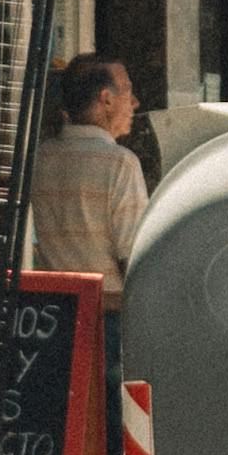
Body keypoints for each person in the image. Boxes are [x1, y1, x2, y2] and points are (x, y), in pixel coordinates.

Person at [31, 53, 147, 293]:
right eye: (127, 91)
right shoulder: (121, 164)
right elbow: (135, 258)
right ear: (106, 100)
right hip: (107, 306)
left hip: (53, 306)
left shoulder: (41, 158)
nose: (135, 103)